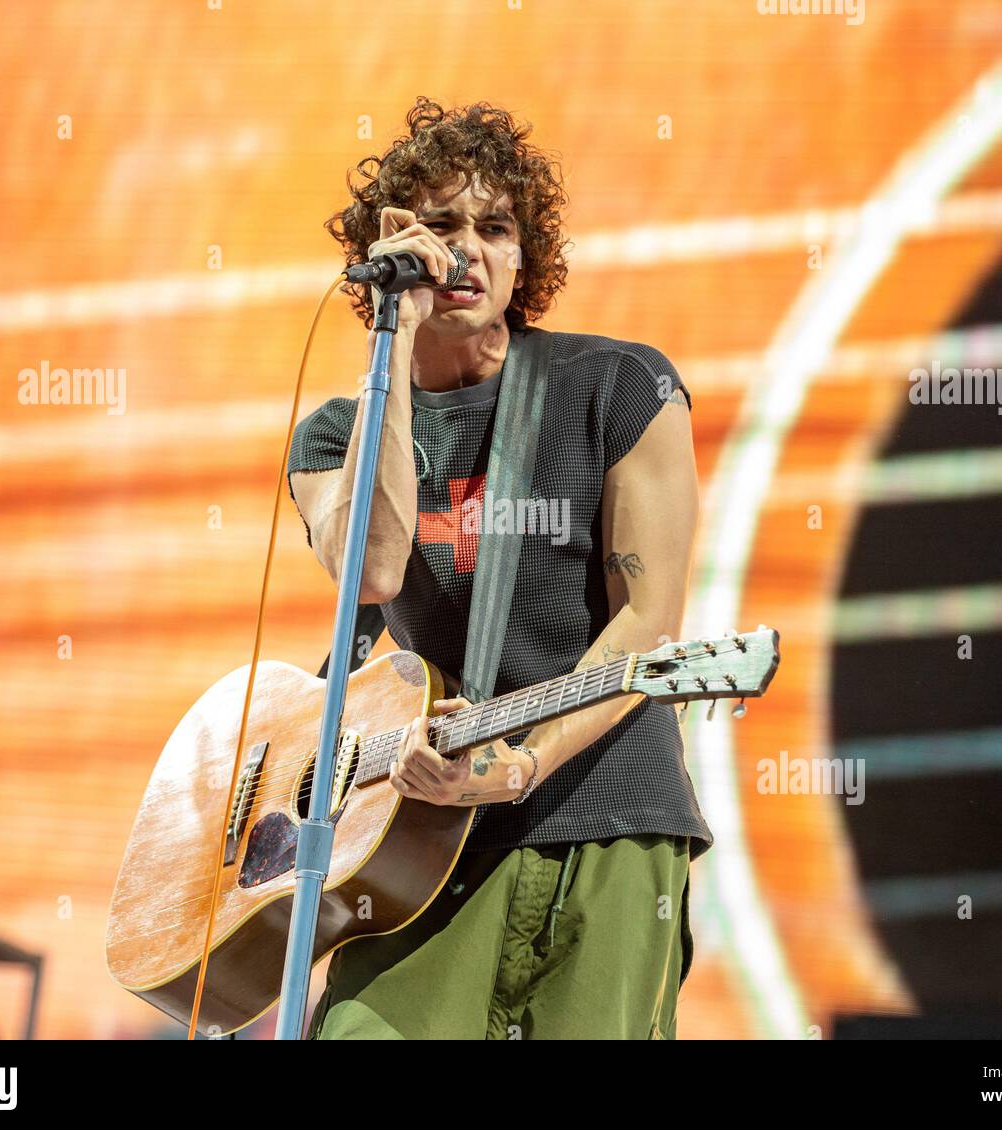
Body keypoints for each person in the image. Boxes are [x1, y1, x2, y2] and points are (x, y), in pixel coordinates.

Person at [287, 96, 711, 1040]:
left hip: (600, 816)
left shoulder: (619, 387)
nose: (467, 249)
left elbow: (648, 625)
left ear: (526, 258)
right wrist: (388, 348)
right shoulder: (333, 437)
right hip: (407, 856)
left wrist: (521, 763)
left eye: (495, 227)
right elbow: (377, 569)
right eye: (438, 227)